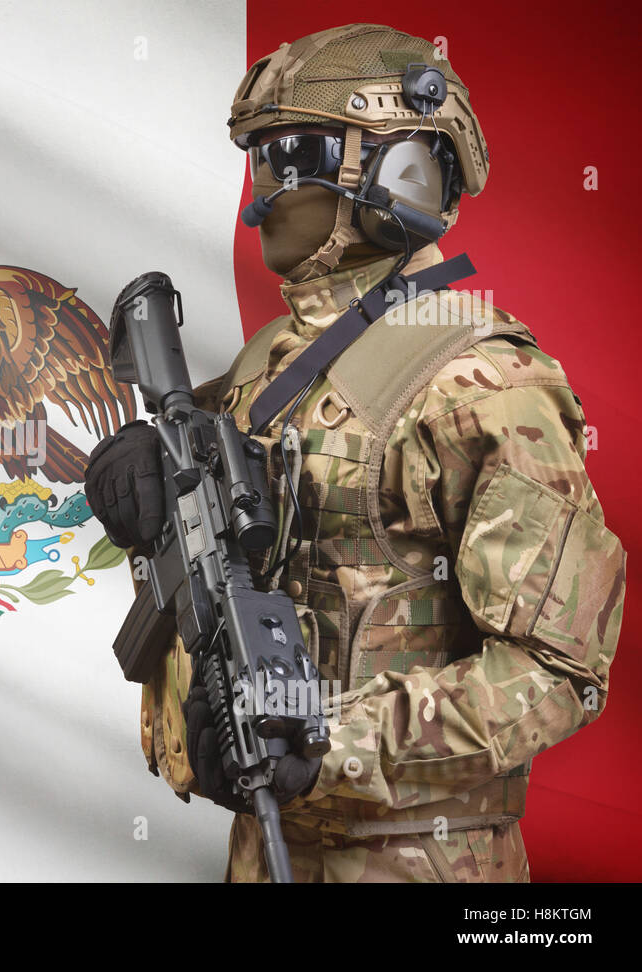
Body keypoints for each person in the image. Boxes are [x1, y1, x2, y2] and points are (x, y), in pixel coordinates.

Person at [85, 23, 626, 882]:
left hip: (423, 864)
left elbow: (557, 670)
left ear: (390, 172)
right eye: (257, 158)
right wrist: (143, 490)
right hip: (264, 851)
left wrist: (329, 740)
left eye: (285, 154)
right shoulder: (272, 359)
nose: (259, 190)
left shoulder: (484, 381)